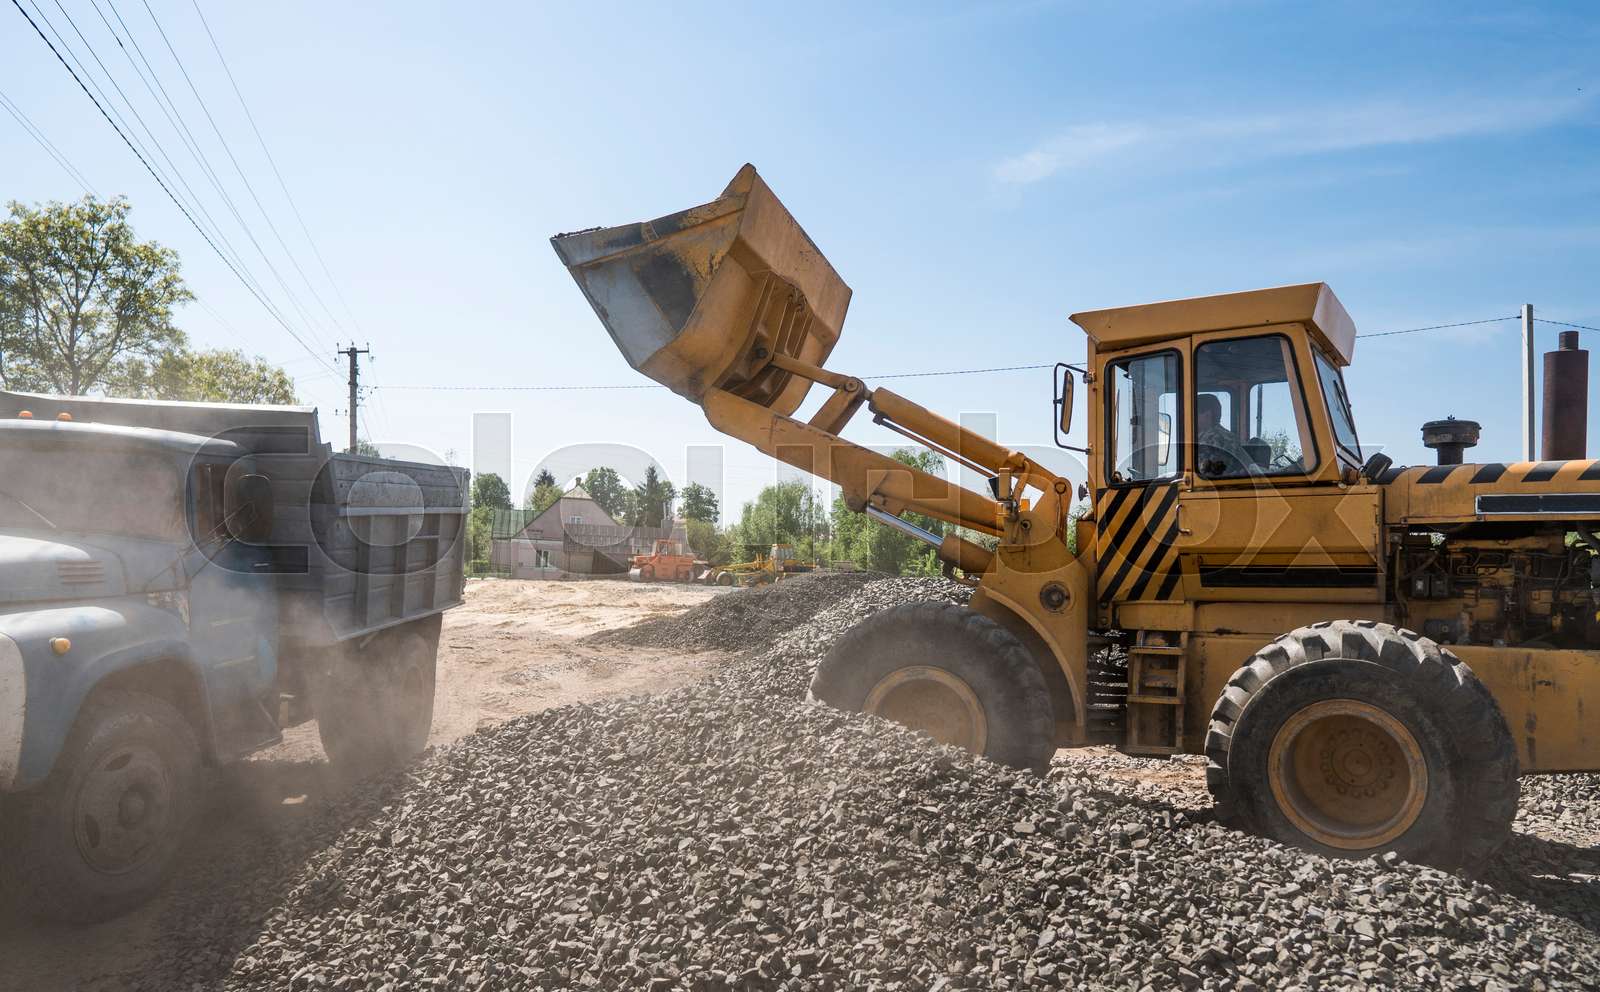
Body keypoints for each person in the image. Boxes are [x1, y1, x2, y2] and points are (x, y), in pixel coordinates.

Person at [1195, 393, 1252, 478]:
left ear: (1207, 415)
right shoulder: (1222, 435)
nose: (1192, 418)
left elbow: (1206, 475)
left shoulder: (1214, 439)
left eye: (1195, 413)